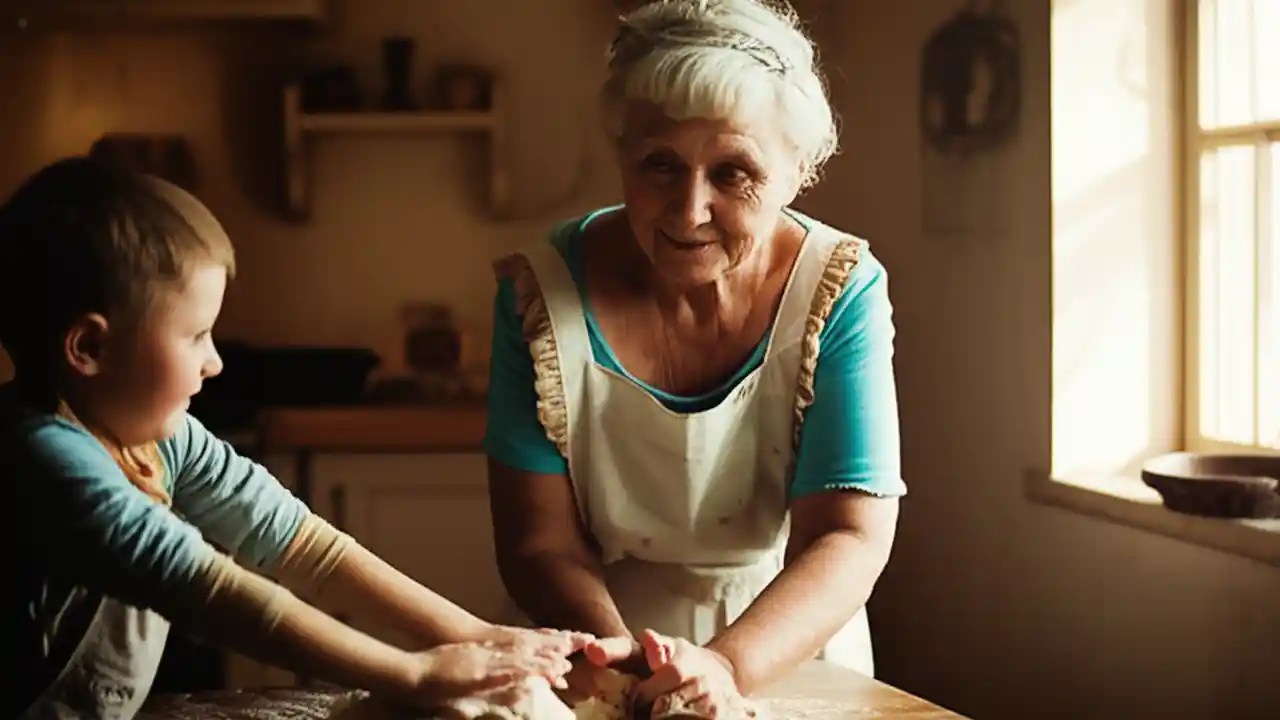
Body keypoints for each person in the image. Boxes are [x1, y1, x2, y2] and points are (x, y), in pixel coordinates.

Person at [0, 157, 587, 719]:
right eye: (196, 335)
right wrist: (416, 675)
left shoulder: (163, 437)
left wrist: (478, 637)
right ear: (89, 349)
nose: (214, 363)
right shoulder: (45, 457)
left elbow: (300, 543)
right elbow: (209, 589)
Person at [482, 0, 905, 716]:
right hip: (598, 645)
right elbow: (538, 542)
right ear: (621, 151)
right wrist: (632, 674)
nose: (687, 212)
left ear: (797, 170)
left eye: (734, 172)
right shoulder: (542, 293)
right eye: (660, 165)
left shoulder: (838, 288)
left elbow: (847, 533)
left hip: (789, 648)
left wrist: (724, 668)